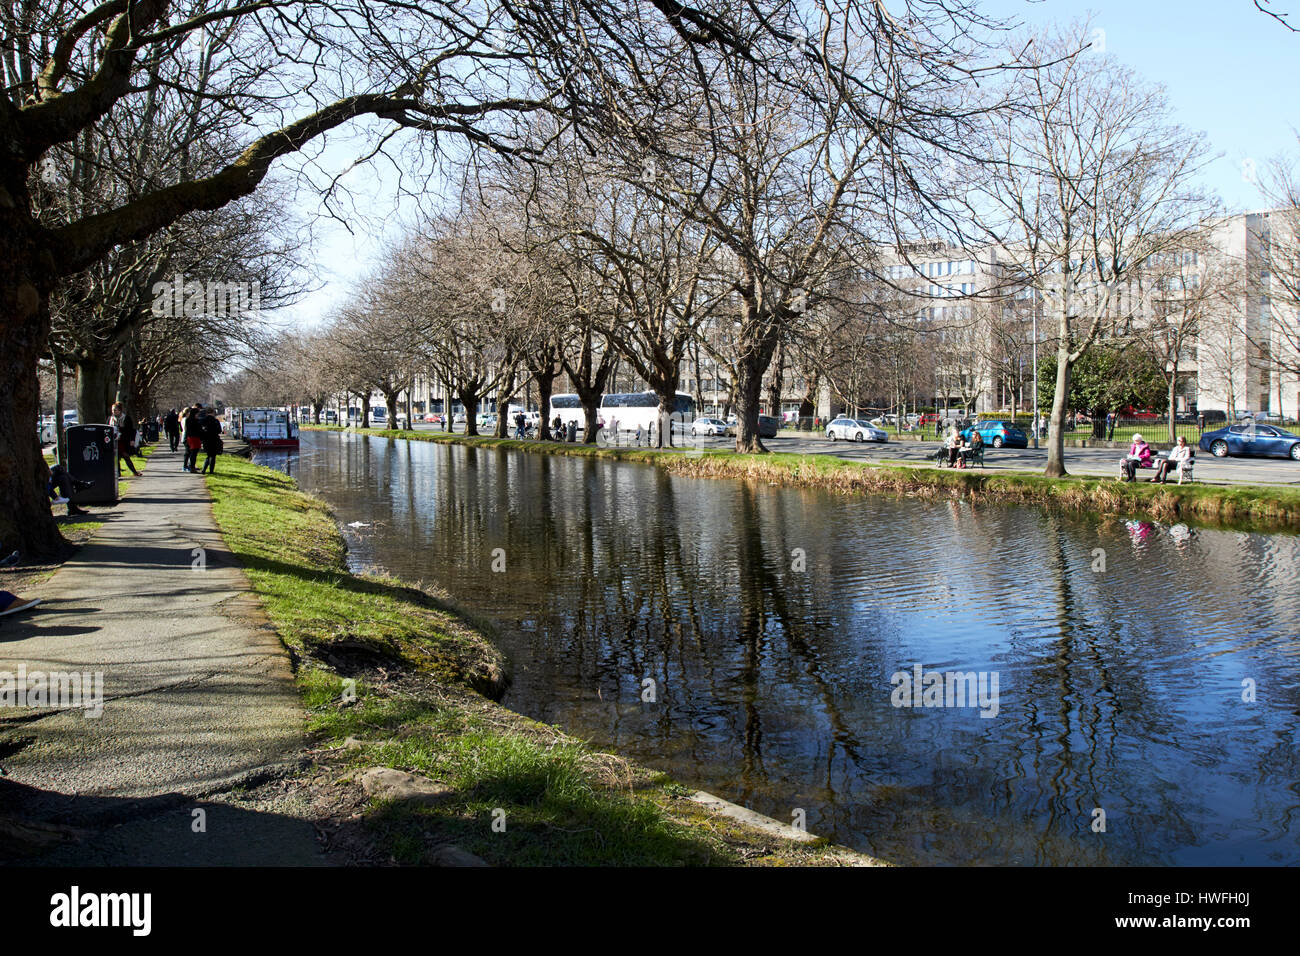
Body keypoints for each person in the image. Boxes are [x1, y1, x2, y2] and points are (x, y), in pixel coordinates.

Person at [110, 402, 140, 476]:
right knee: (115, 458)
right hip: (114, 441)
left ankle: (134, 472)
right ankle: (118, 474)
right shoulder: (110, 419)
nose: (114, 412)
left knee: (125, 456)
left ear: (120, 411)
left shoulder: (126, 418)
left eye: (115, 410)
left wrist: (132, 440)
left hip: (123, 441)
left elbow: (131, 430)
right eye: (113, 410)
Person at [198, 409, 223, 474]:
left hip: (206, 439)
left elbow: (200, 430)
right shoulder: (216, 421)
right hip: (214, 439)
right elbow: (219, 430)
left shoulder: (203, 420)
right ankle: (211, 470)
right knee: (213, 455)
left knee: (209, 454)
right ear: (213, 413)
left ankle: (204, 469)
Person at [181, 406, 202, 472]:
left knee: (191, 453)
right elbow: (198, 429)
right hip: (194, 438)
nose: (198, 415)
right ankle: (191, 466)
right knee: (193, 453)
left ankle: (191, 466)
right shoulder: (195, 421)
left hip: (189, 437)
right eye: (197, 414)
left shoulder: (188, 419)